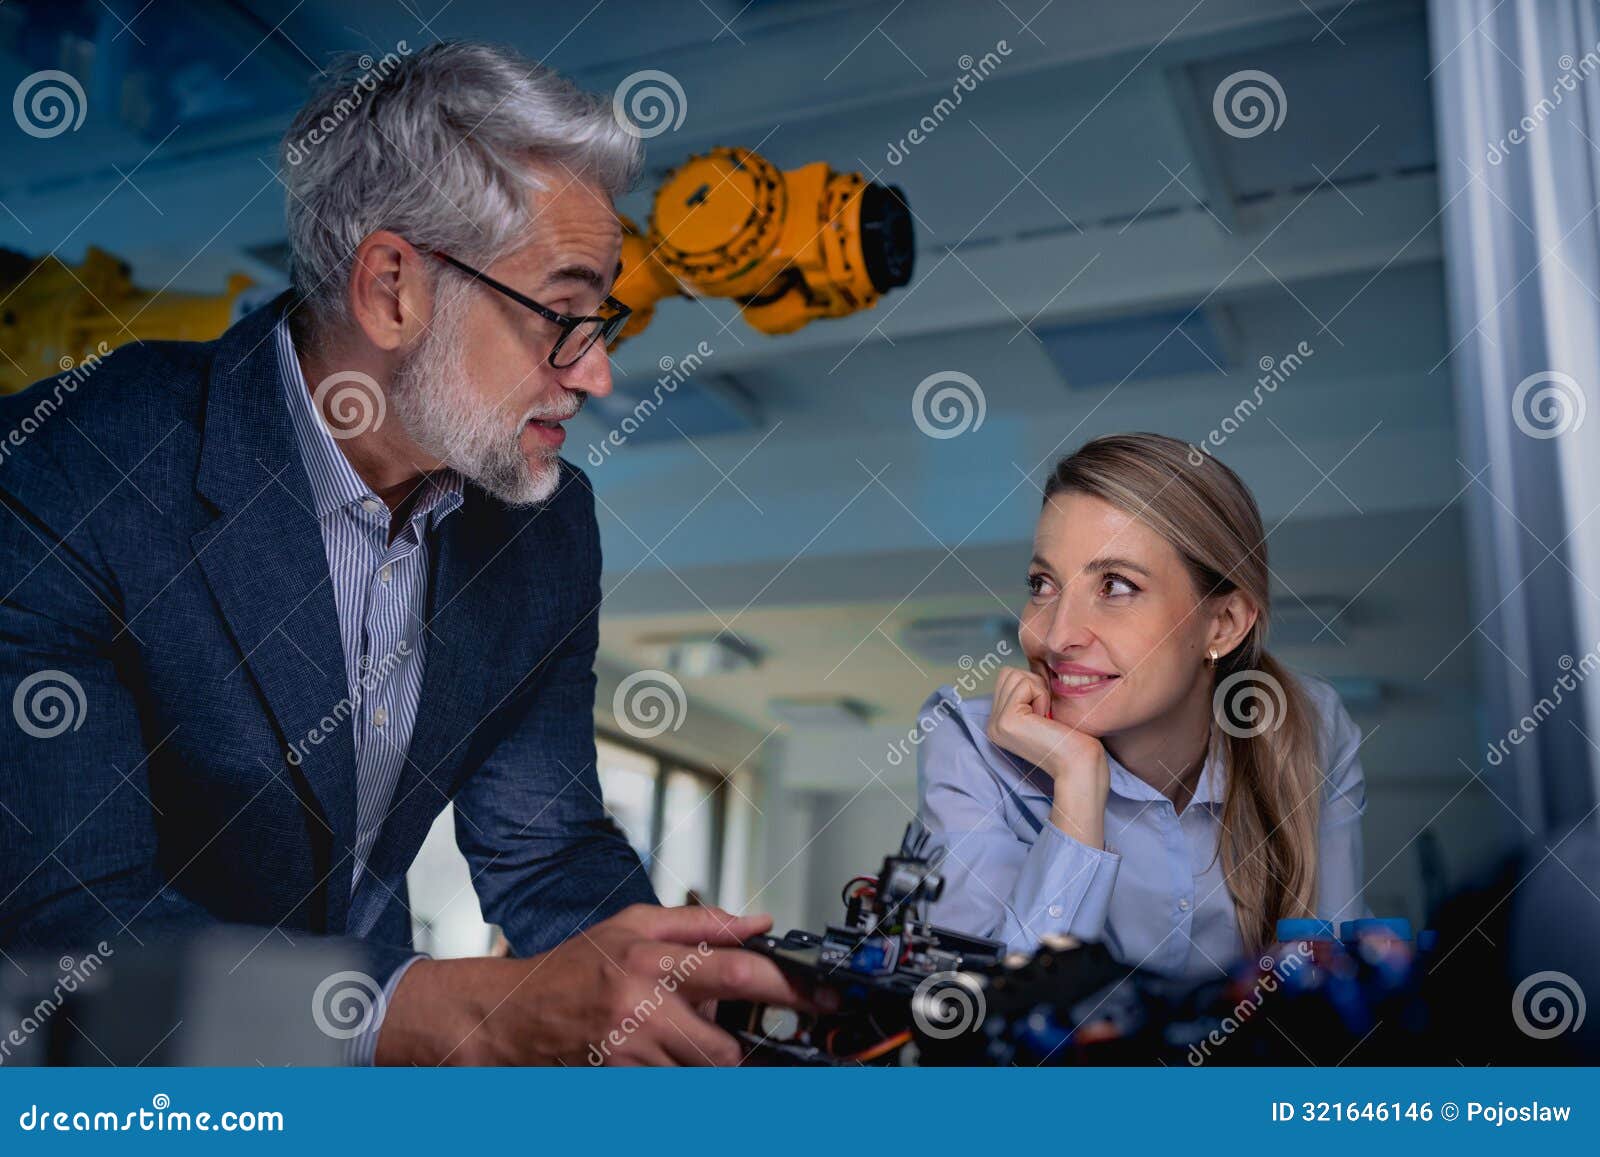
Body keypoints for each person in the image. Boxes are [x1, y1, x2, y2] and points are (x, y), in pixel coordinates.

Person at [0, 42, 808, 1065]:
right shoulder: (73, 467)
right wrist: (448, 1010)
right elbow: (78, 918)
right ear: (391, 288)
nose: (598, 372)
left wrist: (689, 993)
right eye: (562, 316)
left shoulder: (543, 526)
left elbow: (544, 842)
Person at [915, 433, 1368, 979]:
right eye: (1042, 584)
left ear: (1222, 623)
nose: (1056, 635)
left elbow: (1333, 990)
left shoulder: (1308, 729)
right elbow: (984, 1021)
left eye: (1116, 586)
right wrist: (1078, 787)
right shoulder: (972, 744)